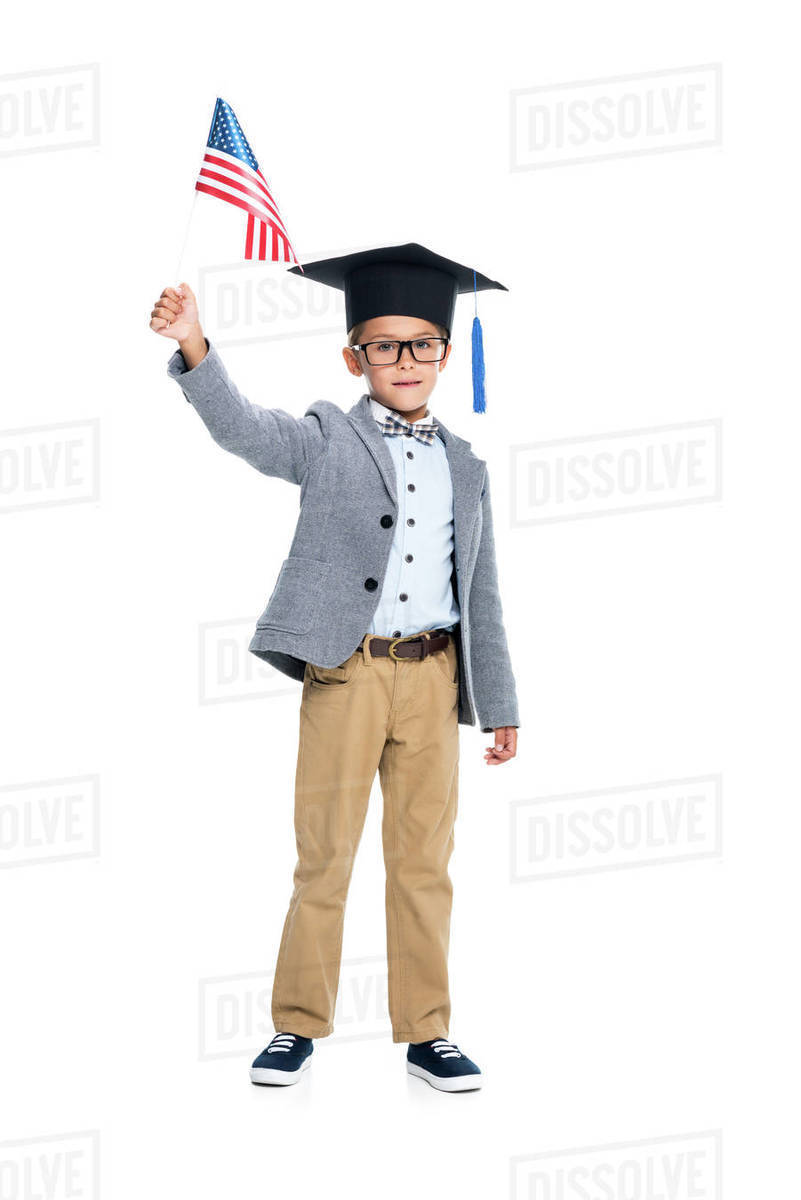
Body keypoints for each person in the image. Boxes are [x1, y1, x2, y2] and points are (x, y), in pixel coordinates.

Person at [149, 242, 520, 1093]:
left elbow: (483, 590)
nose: (404, 360)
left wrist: (496, 702)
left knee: (424, 859)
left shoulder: (466, 466)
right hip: (346, 675)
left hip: (433, 678)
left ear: (446, 354)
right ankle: (296, 1026)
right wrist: (198, 347)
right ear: (353, 355)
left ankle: (427, 1031)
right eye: (384, 345)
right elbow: (245, 430)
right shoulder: (326, 437)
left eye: (421, 344)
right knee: (324, 857)